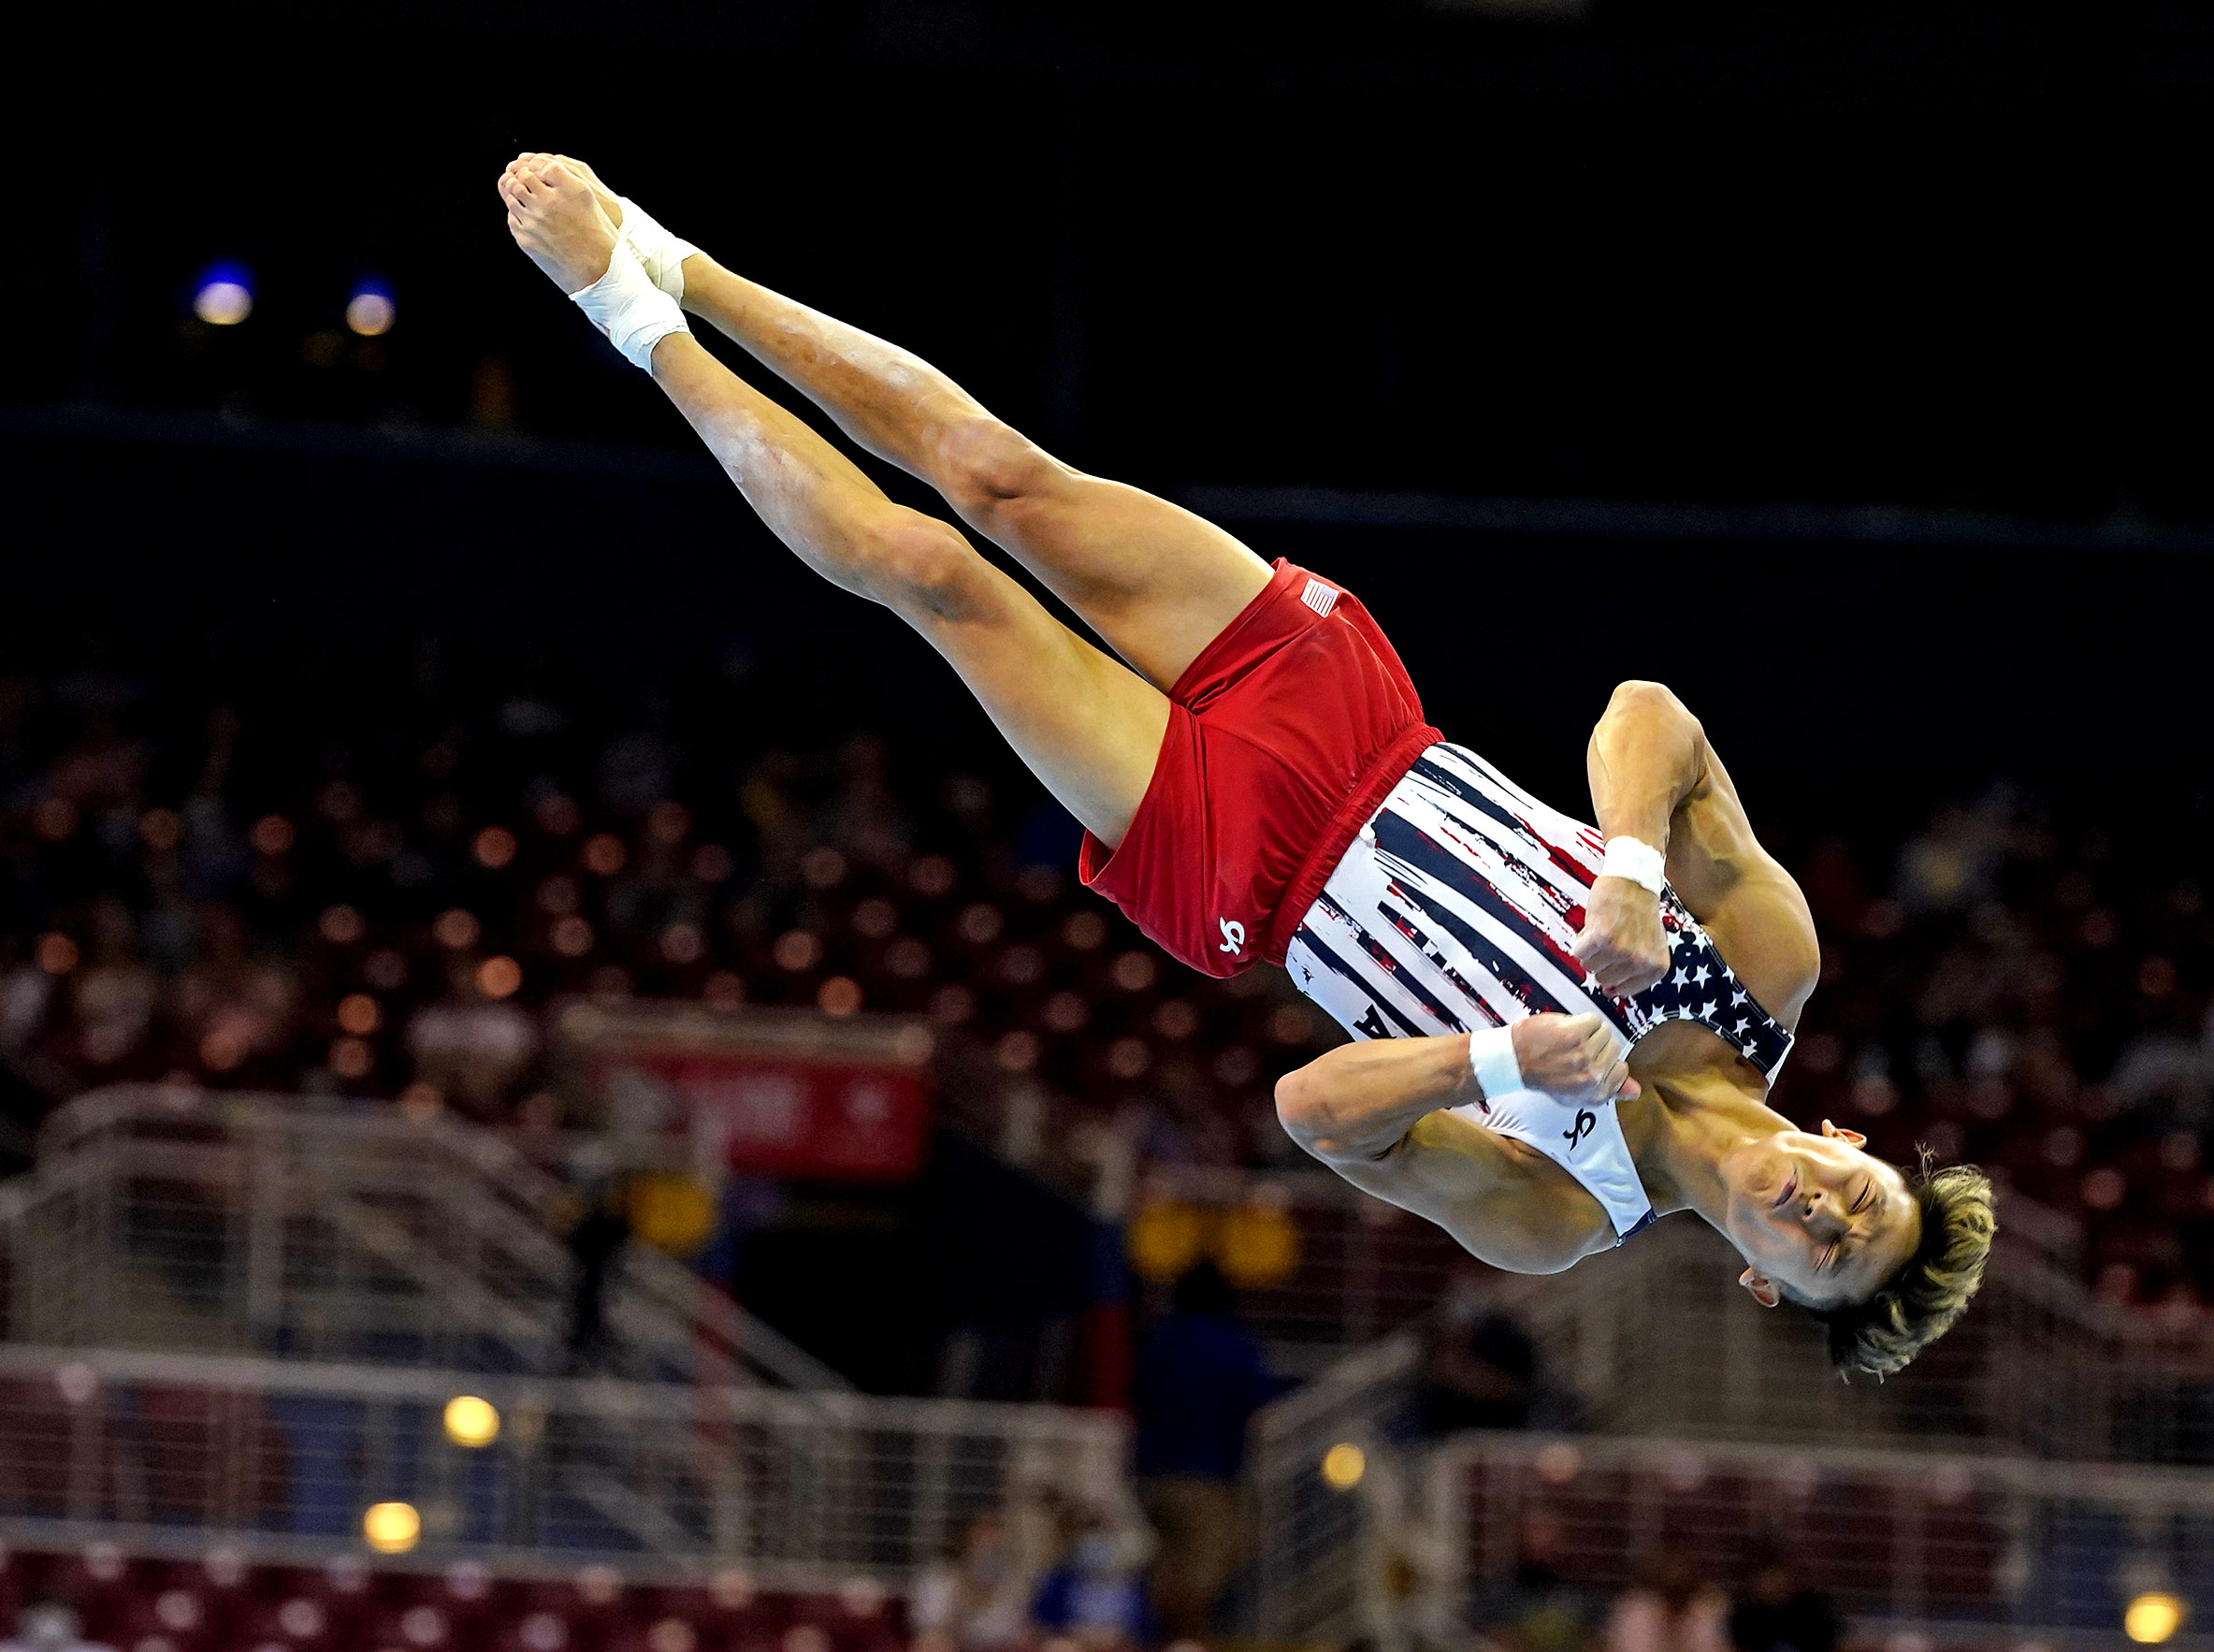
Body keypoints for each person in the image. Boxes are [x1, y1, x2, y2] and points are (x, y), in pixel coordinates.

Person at [496, 155, 1993, 1378]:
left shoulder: (1560, 1211)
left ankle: (626, 315)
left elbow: (1315, 1113)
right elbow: (1650, 714)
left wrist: (1498, 1063)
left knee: (933, 576)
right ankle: (677, 255)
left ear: (1764, 1289)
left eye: (1829, 1256)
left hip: (1248, 873)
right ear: (1852, 1144)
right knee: (1000, 477)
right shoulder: (1767, 964)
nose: (1823, 1213)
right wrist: (1631, 868)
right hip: (1357, 719)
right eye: (1860, 1201)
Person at [1129, 1264, 1286, 1638]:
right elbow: (1260, 1412)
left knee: (1168, 1569)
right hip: (1204, 1481)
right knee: (1200, 1581)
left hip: (1150, 1478)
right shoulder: (1233, 1343)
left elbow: (1137, 1399)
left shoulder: (1158, 1340)